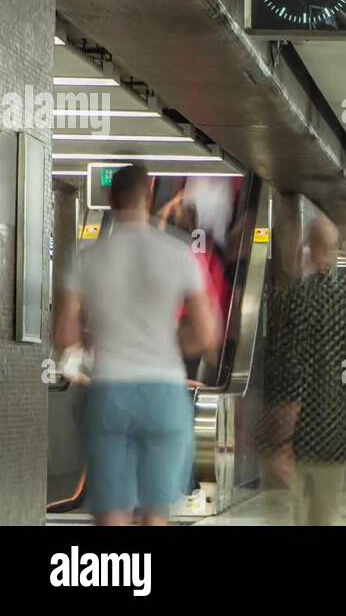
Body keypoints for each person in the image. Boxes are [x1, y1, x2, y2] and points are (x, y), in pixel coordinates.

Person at [54, 163, 220, 526]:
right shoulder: (179, 255)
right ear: (148, 198)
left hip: (110, 389)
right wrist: (168, 342)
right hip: (164, 392)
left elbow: (64, 337)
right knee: (154, 514)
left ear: (109, 198)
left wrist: (94, 337)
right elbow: (206, 335)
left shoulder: (86, 259)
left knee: (113, 513)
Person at [270, 215, 346, 525]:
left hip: (300, 432)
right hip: (337, 431)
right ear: (334, 249)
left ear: (306, 247)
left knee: (300, 514)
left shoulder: (292, 299)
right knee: (327, 513)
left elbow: (292, 369)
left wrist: (280, 438)